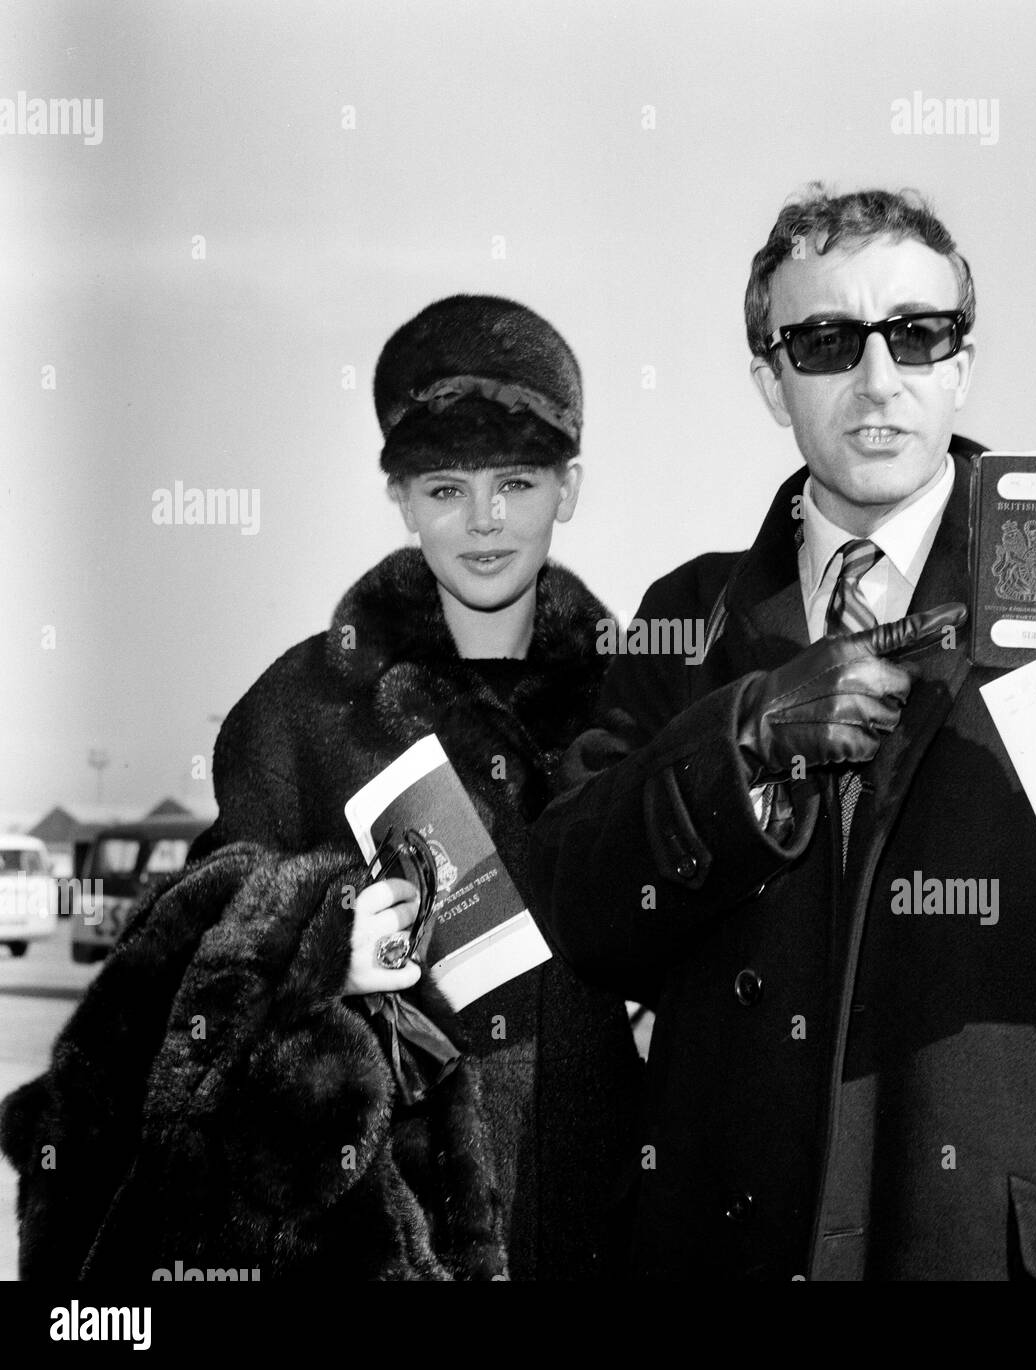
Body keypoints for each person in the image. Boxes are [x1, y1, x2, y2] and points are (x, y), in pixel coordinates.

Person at [526, 186, 1036, 1280]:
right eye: (828, 340)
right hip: (735, 1239)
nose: (878, 378)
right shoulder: (683, 620)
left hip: (998, 1249)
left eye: (917, 333)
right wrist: (737, 744)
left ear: (961, 365)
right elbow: (576, 908)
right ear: (769, 378)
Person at [1, 294, 642, 1281]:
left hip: (607, 1217)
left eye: (516, 481)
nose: (482, 519)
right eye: (443, 487)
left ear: (571, 487)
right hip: (394, 1239)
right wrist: (314, 941)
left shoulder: (639, 701)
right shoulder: (306, 704)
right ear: (400, 497)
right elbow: (181, 968)